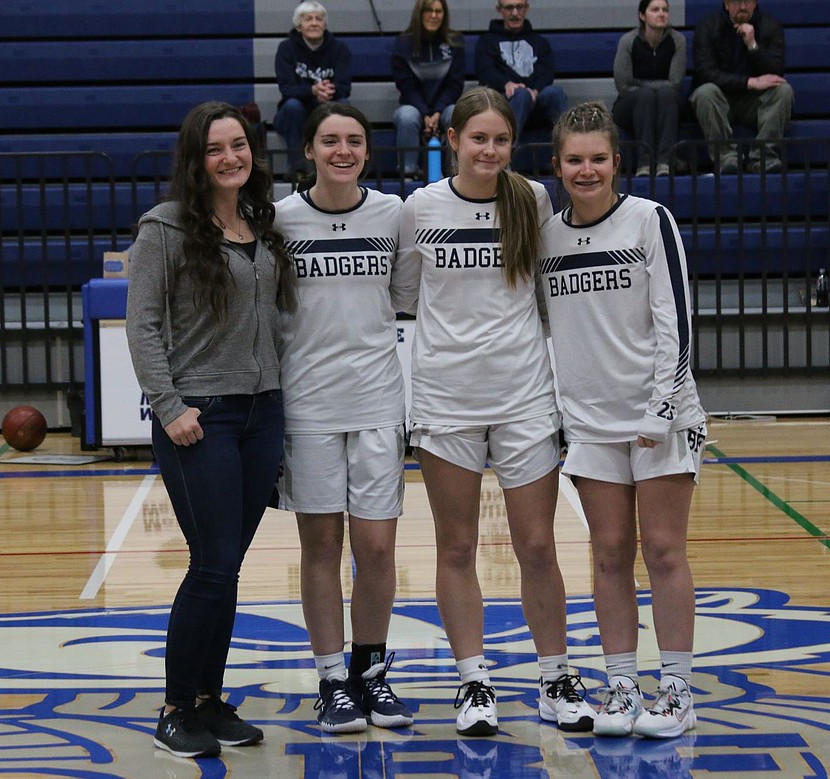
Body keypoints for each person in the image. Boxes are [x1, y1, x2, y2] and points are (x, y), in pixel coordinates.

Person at [393, 85, 594, 737]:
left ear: (512, 144)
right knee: (457, 546)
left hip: (523, 395)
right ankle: (473, 680)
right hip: (446, 400)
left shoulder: (531, 199)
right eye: (477, 137)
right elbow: (404, 296)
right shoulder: (419, 208)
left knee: (537, 544)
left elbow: (544, 290)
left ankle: (554, 675)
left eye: (500, 139)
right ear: (451, 140)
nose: (489, 149)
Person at [126, 101, 297, 757]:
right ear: (196, 161)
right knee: (213, 563)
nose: (231, 158)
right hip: (202, 417)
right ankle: (175, 705)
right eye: (215, 149)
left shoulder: (260, 219)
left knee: (228, 566)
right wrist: (169, 405)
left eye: (239, 145)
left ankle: (207, 697)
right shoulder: (165, 227)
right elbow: (141, 324)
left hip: (262, 413)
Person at [539, 101, 706, 739]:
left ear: (617, 163)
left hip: (659, 415)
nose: (587, 170)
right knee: (608, 554)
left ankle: (676, 691)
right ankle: (620, 686)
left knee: (663, 551)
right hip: (590, 425)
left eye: (599, 159)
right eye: (575, 160)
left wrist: (662, 408)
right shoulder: (548, 237)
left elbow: (678, 322)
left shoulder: (648, 221)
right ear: (557, 166)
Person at [272, 103, 413, 734]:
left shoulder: (393, 215)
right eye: (330, 140)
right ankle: (332, 680)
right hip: (309, 405)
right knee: (321, 546)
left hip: (378, 399)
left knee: (378, 546)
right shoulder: (280, 220)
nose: (343, 150)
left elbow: (404, 298)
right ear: (309, 150)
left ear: (366, 151)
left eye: (354, 140)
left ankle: (372, 671)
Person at [689, 0, 793, 174]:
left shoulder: (770, 26)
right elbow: (705, 73)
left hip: (753, 103)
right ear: (727, 4)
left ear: (755, 3)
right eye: (737, 2)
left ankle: (763, 157)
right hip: (720, 100)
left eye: (747, 1)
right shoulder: (708, 26)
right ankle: (726, 157)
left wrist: (753, 46)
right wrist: (748, 82)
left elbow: (776, 71)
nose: (743, 7)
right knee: (704, 92)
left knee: (784, 91)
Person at [274, 1, 352, 179]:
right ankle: (298, 167)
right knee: (292, 106)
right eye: (308, 19)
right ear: (299, 26)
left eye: (319, 19)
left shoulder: (339, 48)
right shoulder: (286, 48)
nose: (314, 23)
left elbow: (345, 87)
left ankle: (340, 163)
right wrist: (313, 91)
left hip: (327, 104)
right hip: (295, 110)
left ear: (325, 24)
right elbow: (286, 89)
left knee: (343, 104)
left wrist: (327, 91)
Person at [391, 0, 466, 179]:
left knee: (456, 113)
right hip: (414, 106)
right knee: (406, 116)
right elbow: (405, 85)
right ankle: (407, 173)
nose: (434, 15)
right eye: (428, 10)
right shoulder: (403, 43)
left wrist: (438, 112)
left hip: (445, 106)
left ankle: (455, 173)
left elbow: (455, 84)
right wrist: (425, 113)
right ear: (419, 13)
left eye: (438, 11)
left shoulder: (455, 42)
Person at [474, 1, 568, 140]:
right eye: (509, 8)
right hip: (504, 101)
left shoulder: (540, 42)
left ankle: (568, 147)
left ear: (526, 8)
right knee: (521, 95)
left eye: (519, 7)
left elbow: (546, 72)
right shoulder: (486, 42)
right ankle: (508, 151)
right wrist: (506, 84)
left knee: (556, 93)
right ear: (500, 10)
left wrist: (535, 89)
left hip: (536, 99)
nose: (515, 13)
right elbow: (486, 73)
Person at [612, 0, 686, 178]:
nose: (662, 14)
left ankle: (664, 163)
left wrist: (641, 83)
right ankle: (644, 163)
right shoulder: (628, 40)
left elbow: (676, 83)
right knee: (646, 96)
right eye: (655, 10)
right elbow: (622, 85)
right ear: (642, 15)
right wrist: (651, 89)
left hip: (666, 101)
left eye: (665, 10)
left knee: (666, 94)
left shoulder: (678, 40)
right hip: (629, 104)